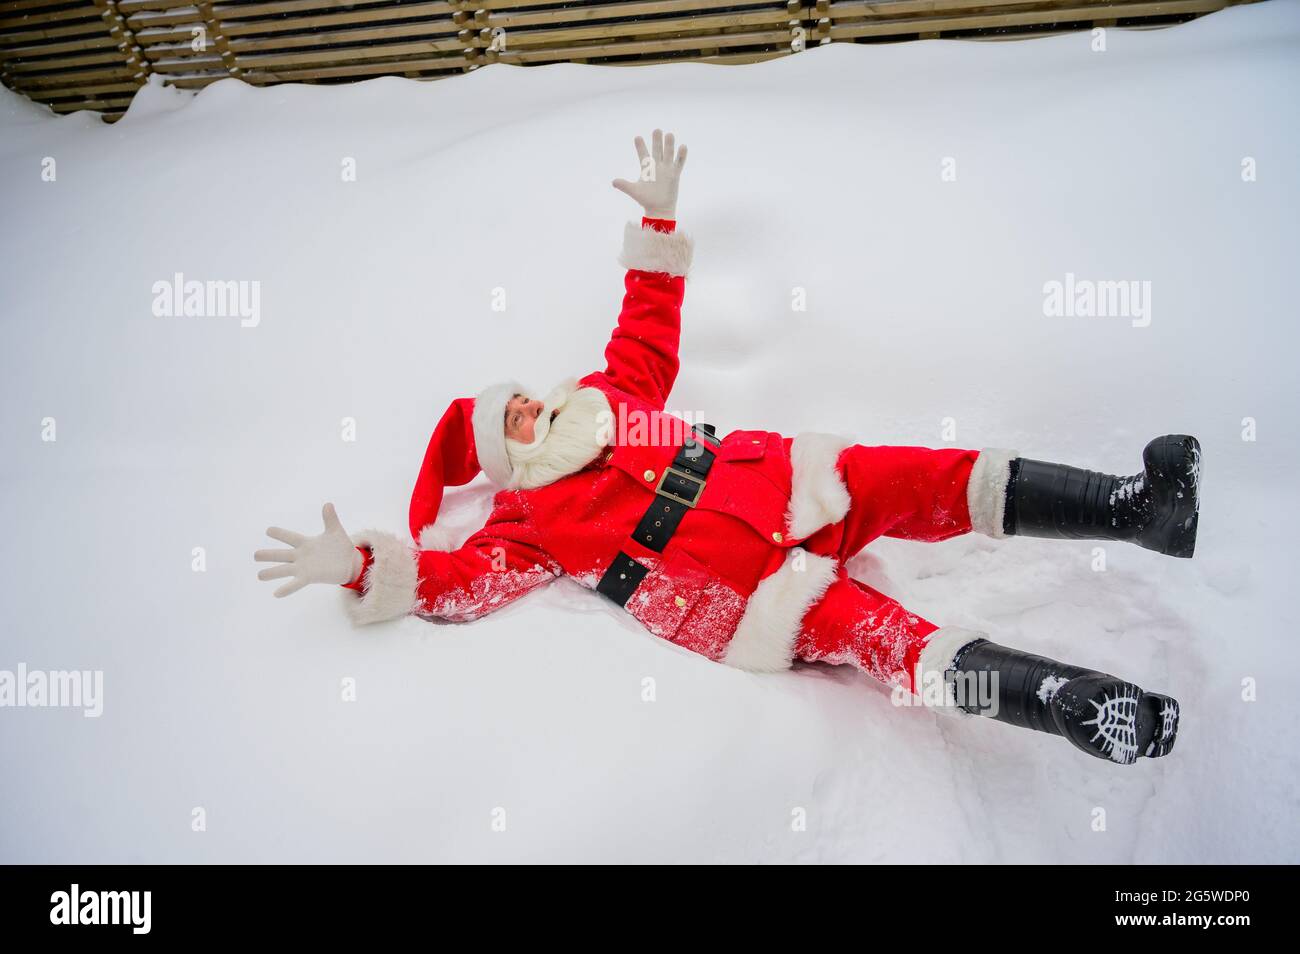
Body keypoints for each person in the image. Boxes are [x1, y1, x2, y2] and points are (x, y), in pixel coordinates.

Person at [256, 130, 1198, 765]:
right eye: (502, 428)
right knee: (892, 647)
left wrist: (658, 227)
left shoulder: (605, 400)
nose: (522, 416)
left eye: (514, 403)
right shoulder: (524, 526)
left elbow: (648, 327)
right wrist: (366, 569)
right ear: (501, 466)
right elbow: (456, 587)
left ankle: (1137, 509)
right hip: (737, 597)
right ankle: (1071, 702)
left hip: (787, 485)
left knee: (930, 478)